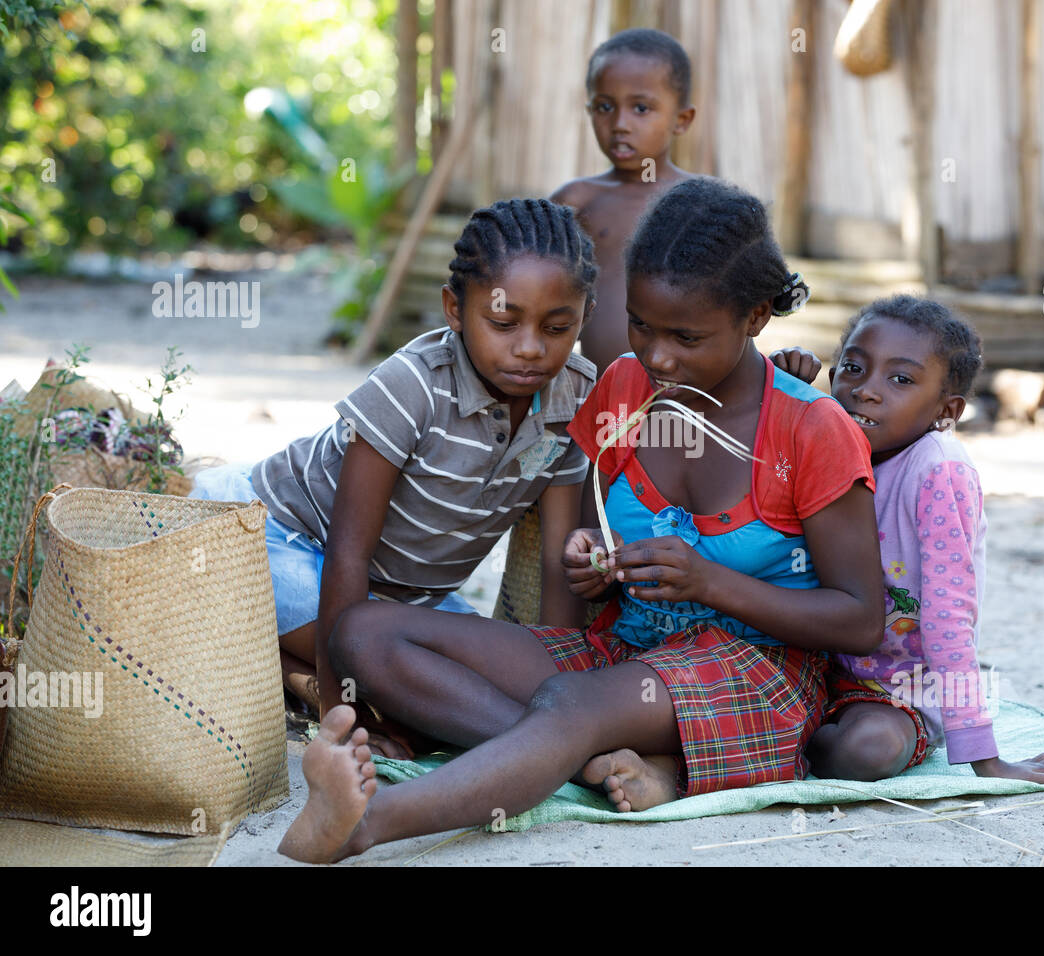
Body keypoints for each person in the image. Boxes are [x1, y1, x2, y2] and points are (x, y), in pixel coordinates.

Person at [278, 178, 886, 863]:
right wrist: (594, 562)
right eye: (642, 326)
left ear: (754, 319)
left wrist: (709, 582)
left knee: (571, 703)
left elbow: (860, 618)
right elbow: (582, 541)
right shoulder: (623, 387)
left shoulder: (812, 429)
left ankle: (368, 823)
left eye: (687, 337)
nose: (658, 357)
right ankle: (591, 759)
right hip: (625, 654)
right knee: (366, 633)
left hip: (757, 670)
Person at [191, 198, 599, 758]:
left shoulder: (574, 397)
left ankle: (553, 736)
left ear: (584, 317)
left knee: (461, 680)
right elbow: (347, 556)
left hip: (398, 603)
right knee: (405, 671)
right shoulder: (412, 386)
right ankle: (304, 679)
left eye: (557, 327)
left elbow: (559, 564)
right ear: (454, 309)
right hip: (269, 540)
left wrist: (561, 683)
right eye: (503, 323)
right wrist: (348, 713)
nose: (530, 348)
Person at [808, 295, 1044, 784]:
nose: (865, 390)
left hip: (895, 693)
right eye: (852, 367)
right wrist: (784, 388)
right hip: (804, 671)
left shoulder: (937, 469)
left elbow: (950, 616)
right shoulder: (820, 442)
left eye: (901, 379)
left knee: (870, 750)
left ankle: (795, 754)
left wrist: (983, 756)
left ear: (945, 411)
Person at [551, 28, 697, 375]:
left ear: (681, 119)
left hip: (687, 397)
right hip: (595, 395)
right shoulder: (576, 202)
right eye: (604, 107)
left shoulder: (704, 203)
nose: (619, 124)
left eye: (641, 108)